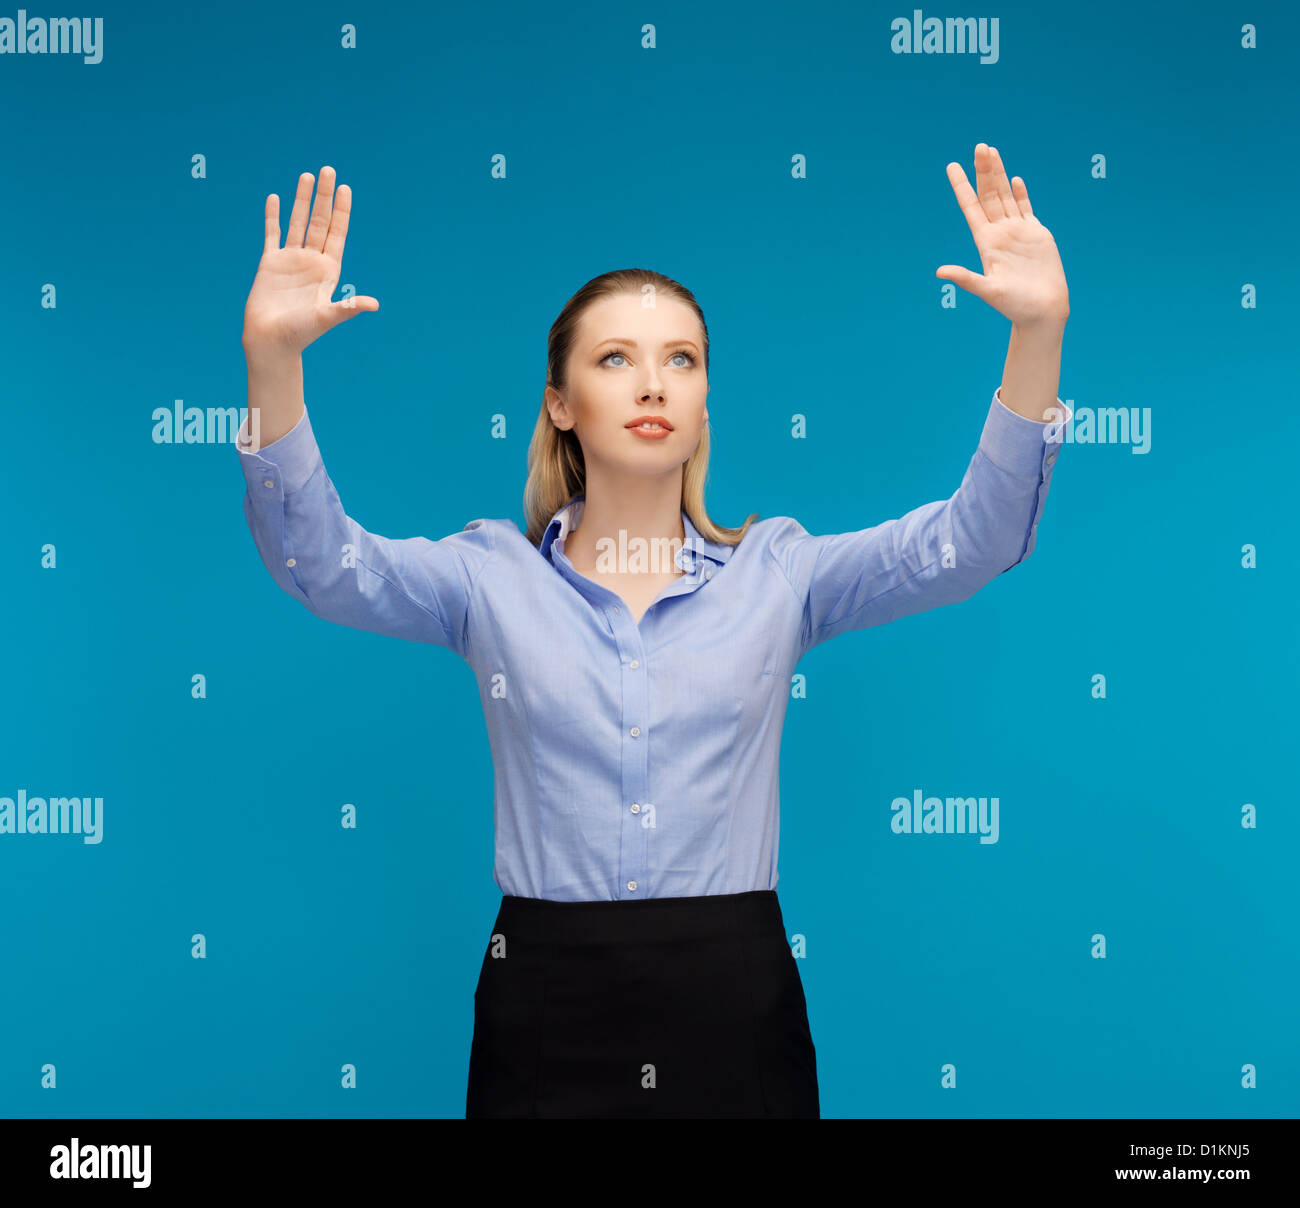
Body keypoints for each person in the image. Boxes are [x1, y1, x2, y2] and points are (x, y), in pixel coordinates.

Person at [235, 145, 1072, 1119]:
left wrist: (1037, 335)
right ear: (560, 402)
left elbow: (973, 541)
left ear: (704, 398)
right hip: (542, 997)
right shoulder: (484, 576)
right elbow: (318, 562)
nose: (652, 384)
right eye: (615, 359)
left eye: (680, 360)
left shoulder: (782, 570)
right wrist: (274, 362)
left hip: (734, 1000)